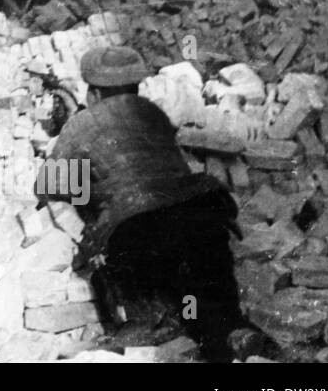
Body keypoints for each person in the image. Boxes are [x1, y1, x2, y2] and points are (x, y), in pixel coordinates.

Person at [37, 45, 268, 362]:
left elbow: (49, 187)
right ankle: (232, 332)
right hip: (200, 208)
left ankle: (161, 328)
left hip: (136, 226)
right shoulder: (152, 112)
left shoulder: (80, 124)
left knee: (160, 292)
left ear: (92, 93)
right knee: (207, 280)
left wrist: (78, 166)